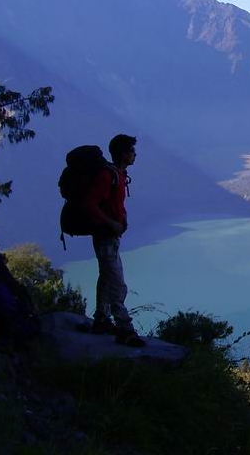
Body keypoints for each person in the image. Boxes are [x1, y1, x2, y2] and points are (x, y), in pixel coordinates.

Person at [84, 134, 145, 347]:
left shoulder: (118, 175)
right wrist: (112, 224)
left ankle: (101, 319)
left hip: (110, 237)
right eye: (132, 151)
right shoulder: (107, 175)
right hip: (105, 237)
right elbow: (90, 204)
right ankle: (125, 330)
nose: (135, 155)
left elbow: (114, 203)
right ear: (124, 153)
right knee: (118, 285)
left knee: (106, 277)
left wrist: (123, 218)